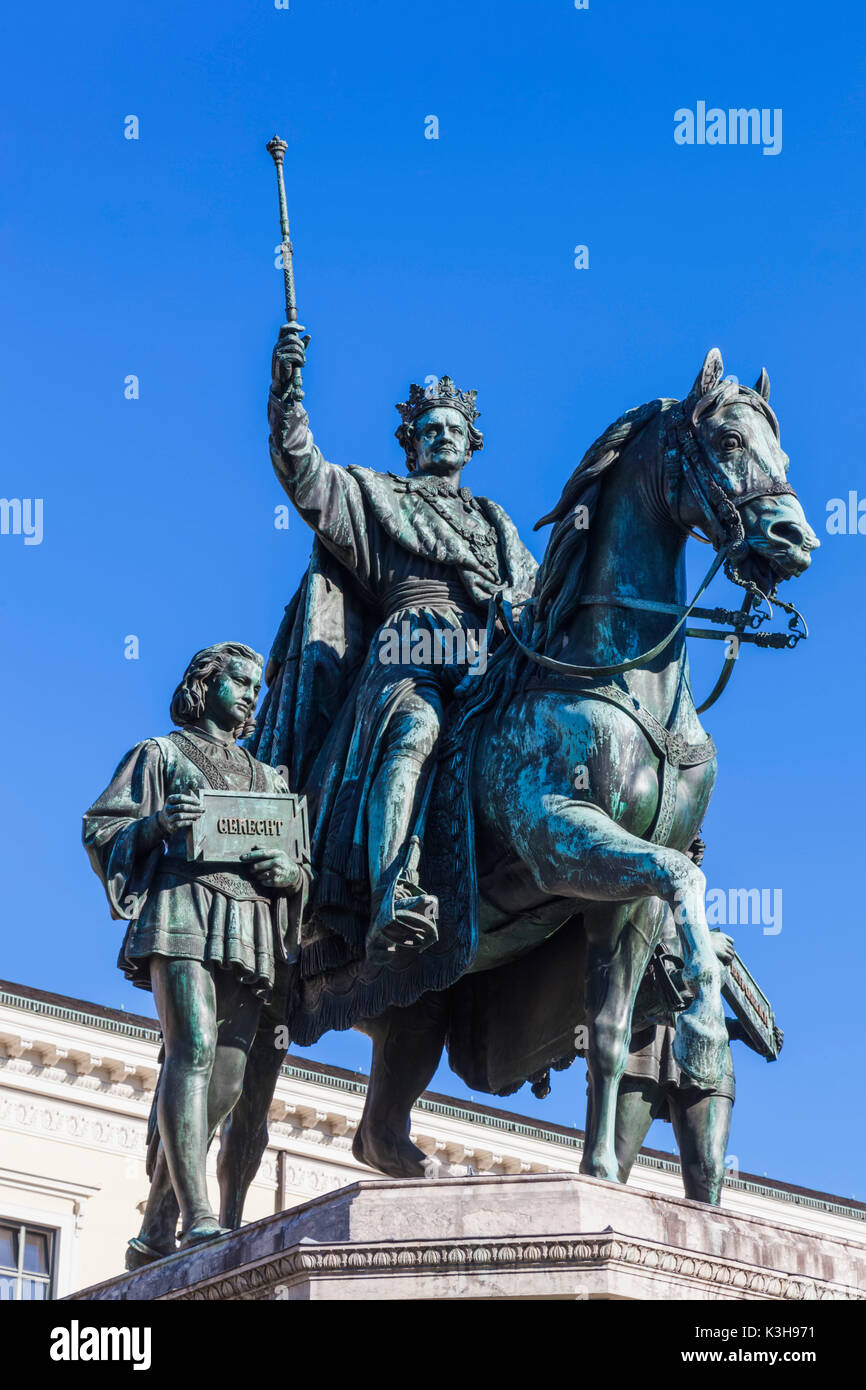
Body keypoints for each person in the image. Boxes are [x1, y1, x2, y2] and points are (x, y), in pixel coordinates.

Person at [258, 328, 537, 969]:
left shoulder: (496, 523)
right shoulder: (375, 499)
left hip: (487, 658)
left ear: (472, 443)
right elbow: (305, 474)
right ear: (410, 446)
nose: (443, 435)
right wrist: (287, 394)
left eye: (454, 428)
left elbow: (536, 598)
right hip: (410, 653)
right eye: (429, 429)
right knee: (418, 730)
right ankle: (394, 889)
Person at [83, 642, 308, 1265]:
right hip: (181, 909)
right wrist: (156, 826)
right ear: (203, 686)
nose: (250, 694)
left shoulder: (271, 781)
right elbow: (102, 827)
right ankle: (199, 1216)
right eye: (238, 681)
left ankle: (156, 1224)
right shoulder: (161, 755)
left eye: (255, 686)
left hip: (247, 920)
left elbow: (300, 868)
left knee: (230, 1080)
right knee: (194, 1049)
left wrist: (290, 874)